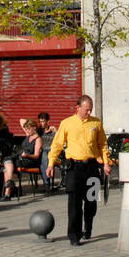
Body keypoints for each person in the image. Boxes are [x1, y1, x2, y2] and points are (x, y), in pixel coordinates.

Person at [46, 95, 110, 246]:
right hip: (74, 167)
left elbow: (102, 144)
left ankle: (88, 228)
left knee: (91, 202)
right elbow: (57, 145)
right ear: (78, 108)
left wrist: (106, 162)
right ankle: (74, 235)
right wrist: (50, 164)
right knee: (74, 204)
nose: (89, 112)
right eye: (86, 109)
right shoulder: (67, 123)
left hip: (92, 166)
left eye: (90, 110)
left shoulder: (96, 123)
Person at [5, 118, 45, 200]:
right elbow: (21, 120)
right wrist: (28, 124)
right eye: (26, 129)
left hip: (30, 160)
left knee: (8, 165)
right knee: (7, 162)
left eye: (29, 129)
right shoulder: (28, 135)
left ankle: (8, 191)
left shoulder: (38, 139)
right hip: (21, 158)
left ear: (34, 128)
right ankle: (8, 191)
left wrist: (27, 155)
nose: (27, 130)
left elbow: (36, 155)